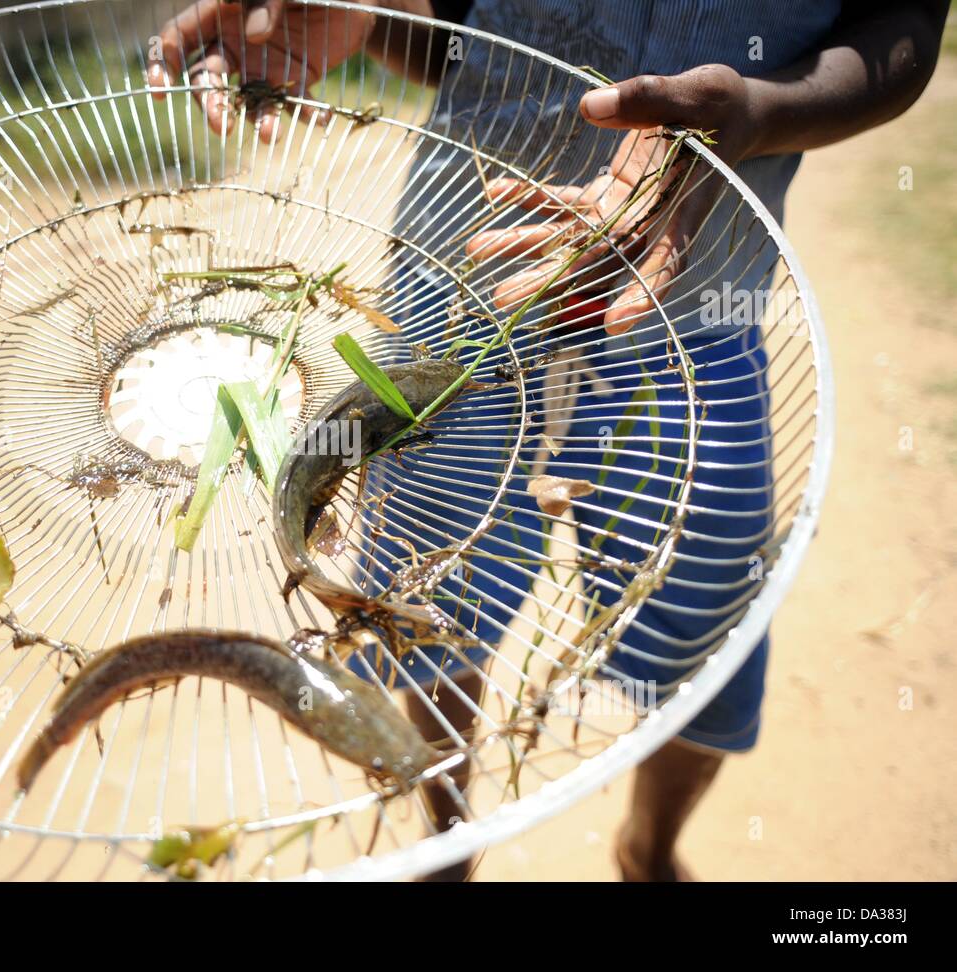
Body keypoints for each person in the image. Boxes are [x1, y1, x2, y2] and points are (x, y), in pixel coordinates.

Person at [147, 0, 949, 881]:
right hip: (461, 276)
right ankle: (449, 834)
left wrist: (762, 112)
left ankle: (650, 844)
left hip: (694, 303)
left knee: (708, 612)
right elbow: (457, 35)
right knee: (429, 600)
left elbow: (900, 41)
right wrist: (370, 17)